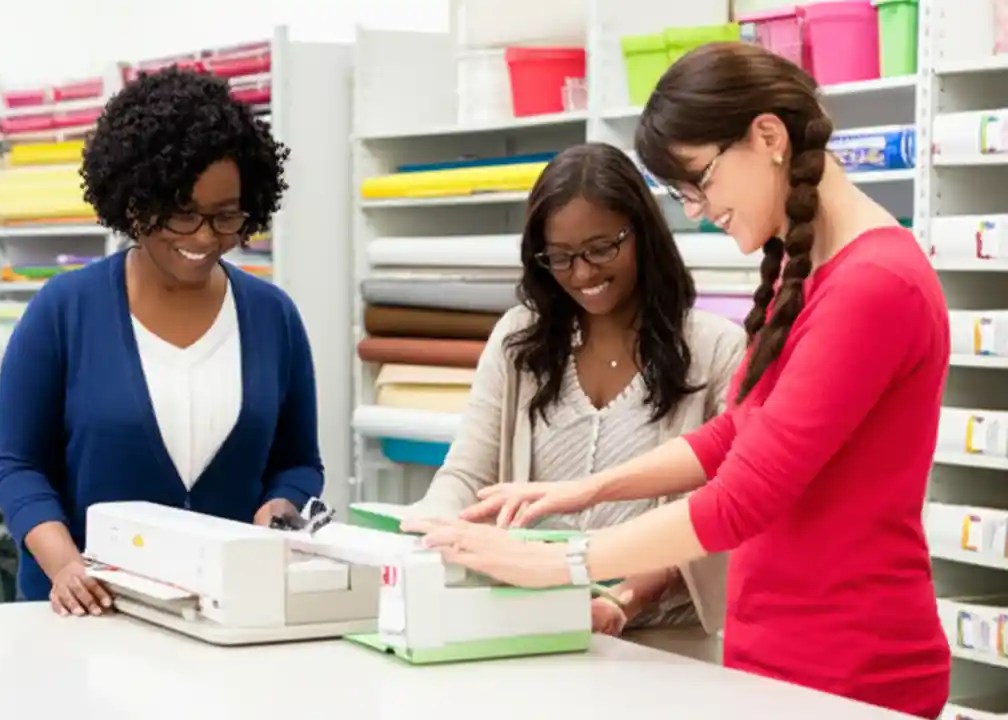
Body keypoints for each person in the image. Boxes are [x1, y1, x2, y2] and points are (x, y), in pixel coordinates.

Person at [403, 42, 952, 719]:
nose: (695, 209)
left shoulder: (875, 287)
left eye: (699, 181)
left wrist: (558, 564)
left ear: (768, 137)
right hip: (770, 660)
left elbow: (742, 500)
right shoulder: (808, 267)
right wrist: (583, 489)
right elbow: (736, 435)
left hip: (852, 672)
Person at [0, 67, 323, 616]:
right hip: (86, 617)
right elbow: (19, 466)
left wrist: (278, 512)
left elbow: (298, 461)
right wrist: (66, 567)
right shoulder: (62, 311)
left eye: (226, 217)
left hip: (224, 615)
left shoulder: (273, 318)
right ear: (134, 201)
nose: (203, 238)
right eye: (181, 213)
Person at [404, 143, 745, 638]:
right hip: (532, 623)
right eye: (560, 258)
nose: (583, 274)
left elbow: (713, 517)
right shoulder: (520, 340)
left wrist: (623, 599)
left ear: (642, 235)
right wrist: (428, 531)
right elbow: (466, 474)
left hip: (666, 642)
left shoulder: (715, 349)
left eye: (602, 249)